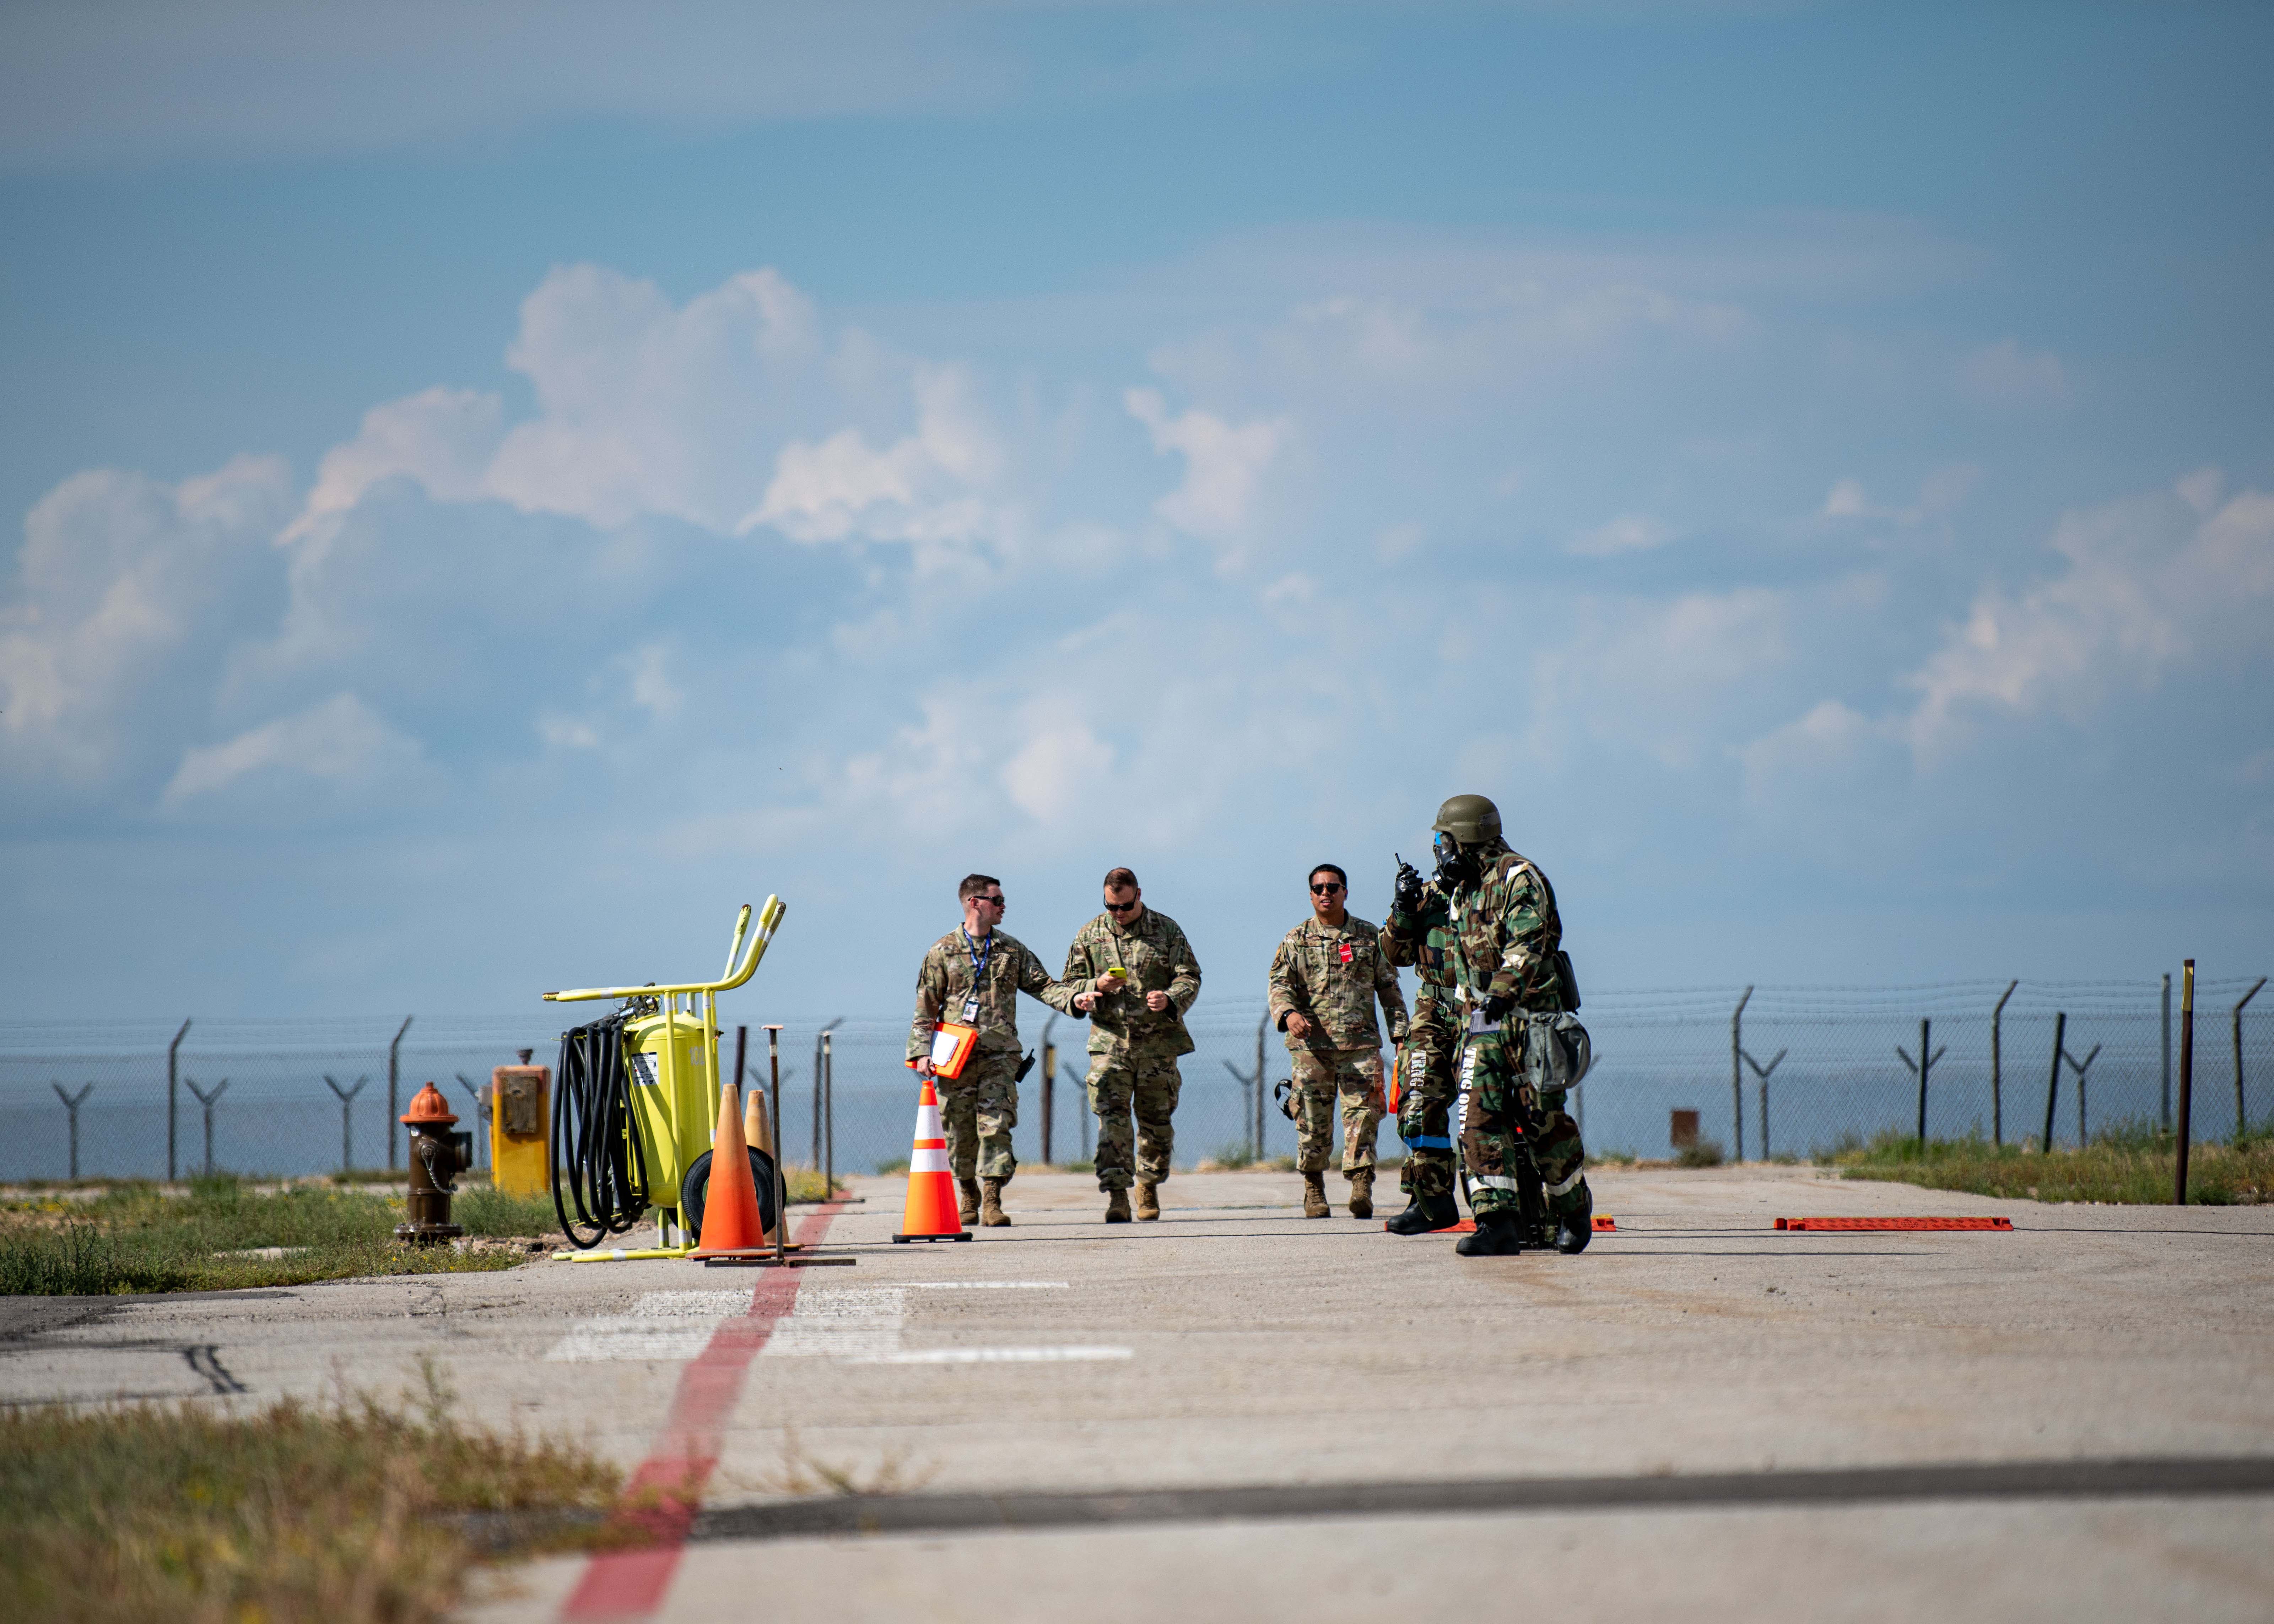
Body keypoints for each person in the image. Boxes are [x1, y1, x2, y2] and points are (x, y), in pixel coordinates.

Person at [1431, 794, 1594, 1257]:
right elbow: (1460, 967)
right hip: (1482, 1029)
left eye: (1444, 839)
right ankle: (1496, 1222)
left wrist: (1503, 990)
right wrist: (1460, 1018)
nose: (1440, 849)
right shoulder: (1462, 891)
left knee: (1543, 1123)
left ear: (1464, 838)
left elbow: (1530, 942)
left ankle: (1571, 1208)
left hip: (1529, 1024)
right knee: (1477, 1121)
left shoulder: (1519, 878)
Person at [907, 874, 1084, 1227]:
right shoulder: (941, 952)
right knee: (959, 1131)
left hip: (999, 1056)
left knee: (997, 1126)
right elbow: (925, 1008)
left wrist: (1075, 1000)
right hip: (954, 1059)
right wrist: (920, 1052)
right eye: (997, 900)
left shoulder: (1011, 950)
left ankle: (992, 1202)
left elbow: (1045, 986)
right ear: (975, 903)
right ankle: (968, 1195)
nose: (1004, 906)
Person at [1267, 863, 1408, 1219]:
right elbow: (1279, 985)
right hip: (1310, 1050)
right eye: (1318, 888)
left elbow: (1389, 989)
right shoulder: (1295, 940)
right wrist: (1288, 1015)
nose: (1325, 893)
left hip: (1359, 1047)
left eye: (1333, 887)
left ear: (1345, 891)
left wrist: (1401, 1035)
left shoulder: (1368, 937)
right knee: (1311, 1122)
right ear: (1310, 894)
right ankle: (1313, 1188)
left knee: (1363, 1117)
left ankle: (1361, 1185)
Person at [1061, 867, 1202, 1223]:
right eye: (1111, 907)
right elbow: (1071, 983)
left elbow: (1189, 975)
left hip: (1157, 1046)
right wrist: (1092, 989)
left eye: (1124, 906)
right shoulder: (1090, 934)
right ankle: (1117, 1196)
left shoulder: (1166, 931)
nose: (1118, 914)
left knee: (1156, 1122)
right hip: (1110, 1043)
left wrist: (1170, 999)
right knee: (1112, 1122)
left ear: (1138, 895)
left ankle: (1148, 1186)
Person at [1379, 853, 1464, 1234]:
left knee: (1493, 1107)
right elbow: (1394, 954)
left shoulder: (1496, 892)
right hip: (1433, 1009)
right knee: (1417, 1103)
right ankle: (1430, 1201)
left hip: (1483, 1008)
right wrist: (1402, 907)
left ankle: (1528, 1201)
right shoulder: (1426, 897)